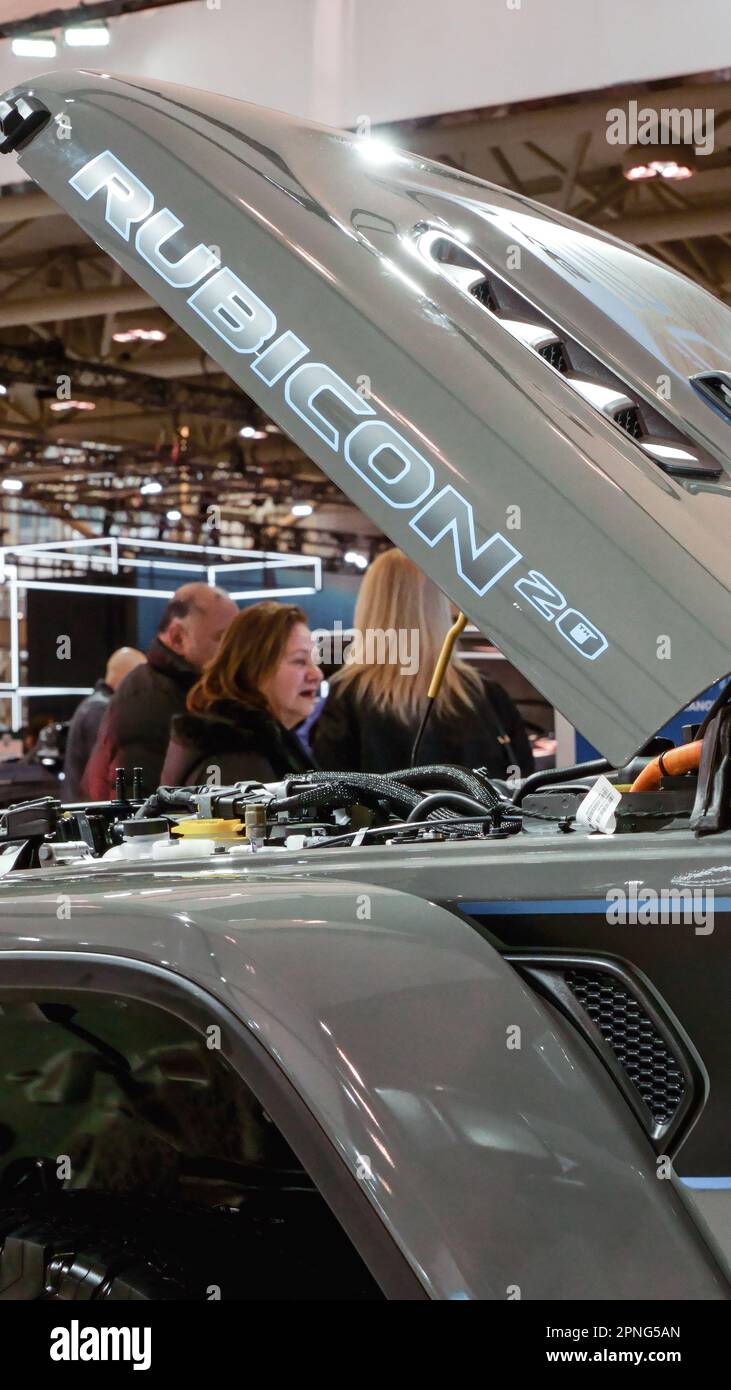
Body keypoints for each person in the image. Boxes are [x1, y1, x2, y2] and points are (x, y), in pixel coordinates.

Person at [311, 549, 534, 778]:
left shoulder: (348, 695)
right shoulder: (485, 693)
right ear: (438, 607)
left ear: (370, 606)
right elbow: (521, 782)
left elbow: (331, 792)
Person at [83, 583, 238, 798]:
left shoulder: (182, 691)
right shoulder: (148, 700)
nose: (234, 651)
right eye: (221, 638)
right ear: (177, 638)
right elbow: (142, 807)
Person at [160, 601, 321, 785]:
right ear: (255, 669)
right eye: (300, 660)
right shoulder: (232, 756)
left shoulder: (261, 744)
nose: (316, 674)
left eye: (314, 660)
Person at [63, 647, 145, 799]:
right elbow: (101, 773)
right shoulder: (101, 711)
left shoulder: (94, 706)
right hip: (90, 811)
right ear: (130, 676)